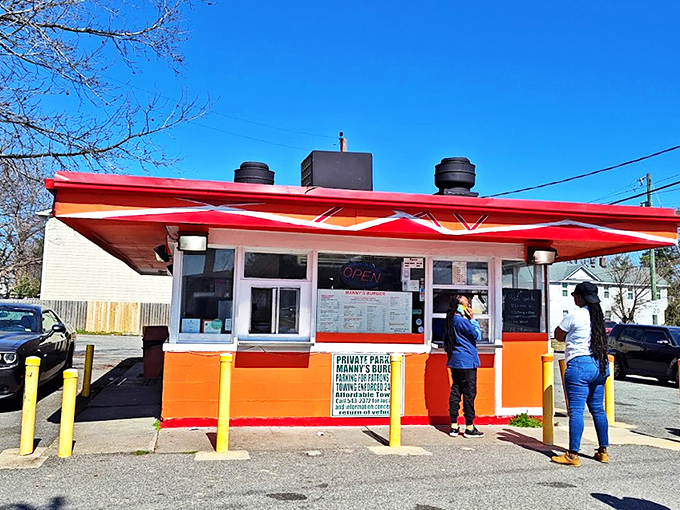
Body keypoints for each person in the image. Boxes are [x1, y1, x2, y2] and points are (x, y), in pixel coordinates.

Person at [551, 281, 610, 467]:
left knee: (576, 411)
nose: (574, 298)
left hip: (579, 365)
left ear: (580, 297)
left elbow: (558, 336)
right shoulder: (599, 318)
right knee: (598, 409)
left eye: (575, 295)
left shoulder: (575, 316)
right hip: (600, 365)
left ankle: (572, 454)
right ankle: (603, 451)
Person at [443, 294, 484, 438]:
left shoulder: (451, 320)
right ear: (460, 306)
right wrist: (473, 319)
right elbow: (477, 335)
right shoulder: (462, 321)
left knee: (456, 390)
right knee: (469, 393)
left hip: (455, 360)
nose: (469, 307)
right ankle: (469, 426)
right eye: (467, 304)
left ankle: (454, 425)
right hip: (467, 361)